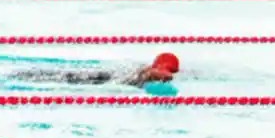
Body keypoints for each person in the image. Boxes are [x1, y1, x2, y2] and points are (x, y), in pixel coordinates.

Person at [14, 52, 180, 87]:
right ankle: (29, 76)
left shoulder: (144, 68)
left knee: (66, 77)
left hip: (108, 76)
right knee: (68, 79)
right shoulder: (151, 71)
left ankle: (29, 75)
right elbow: (159, 74)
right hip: (107, 79)